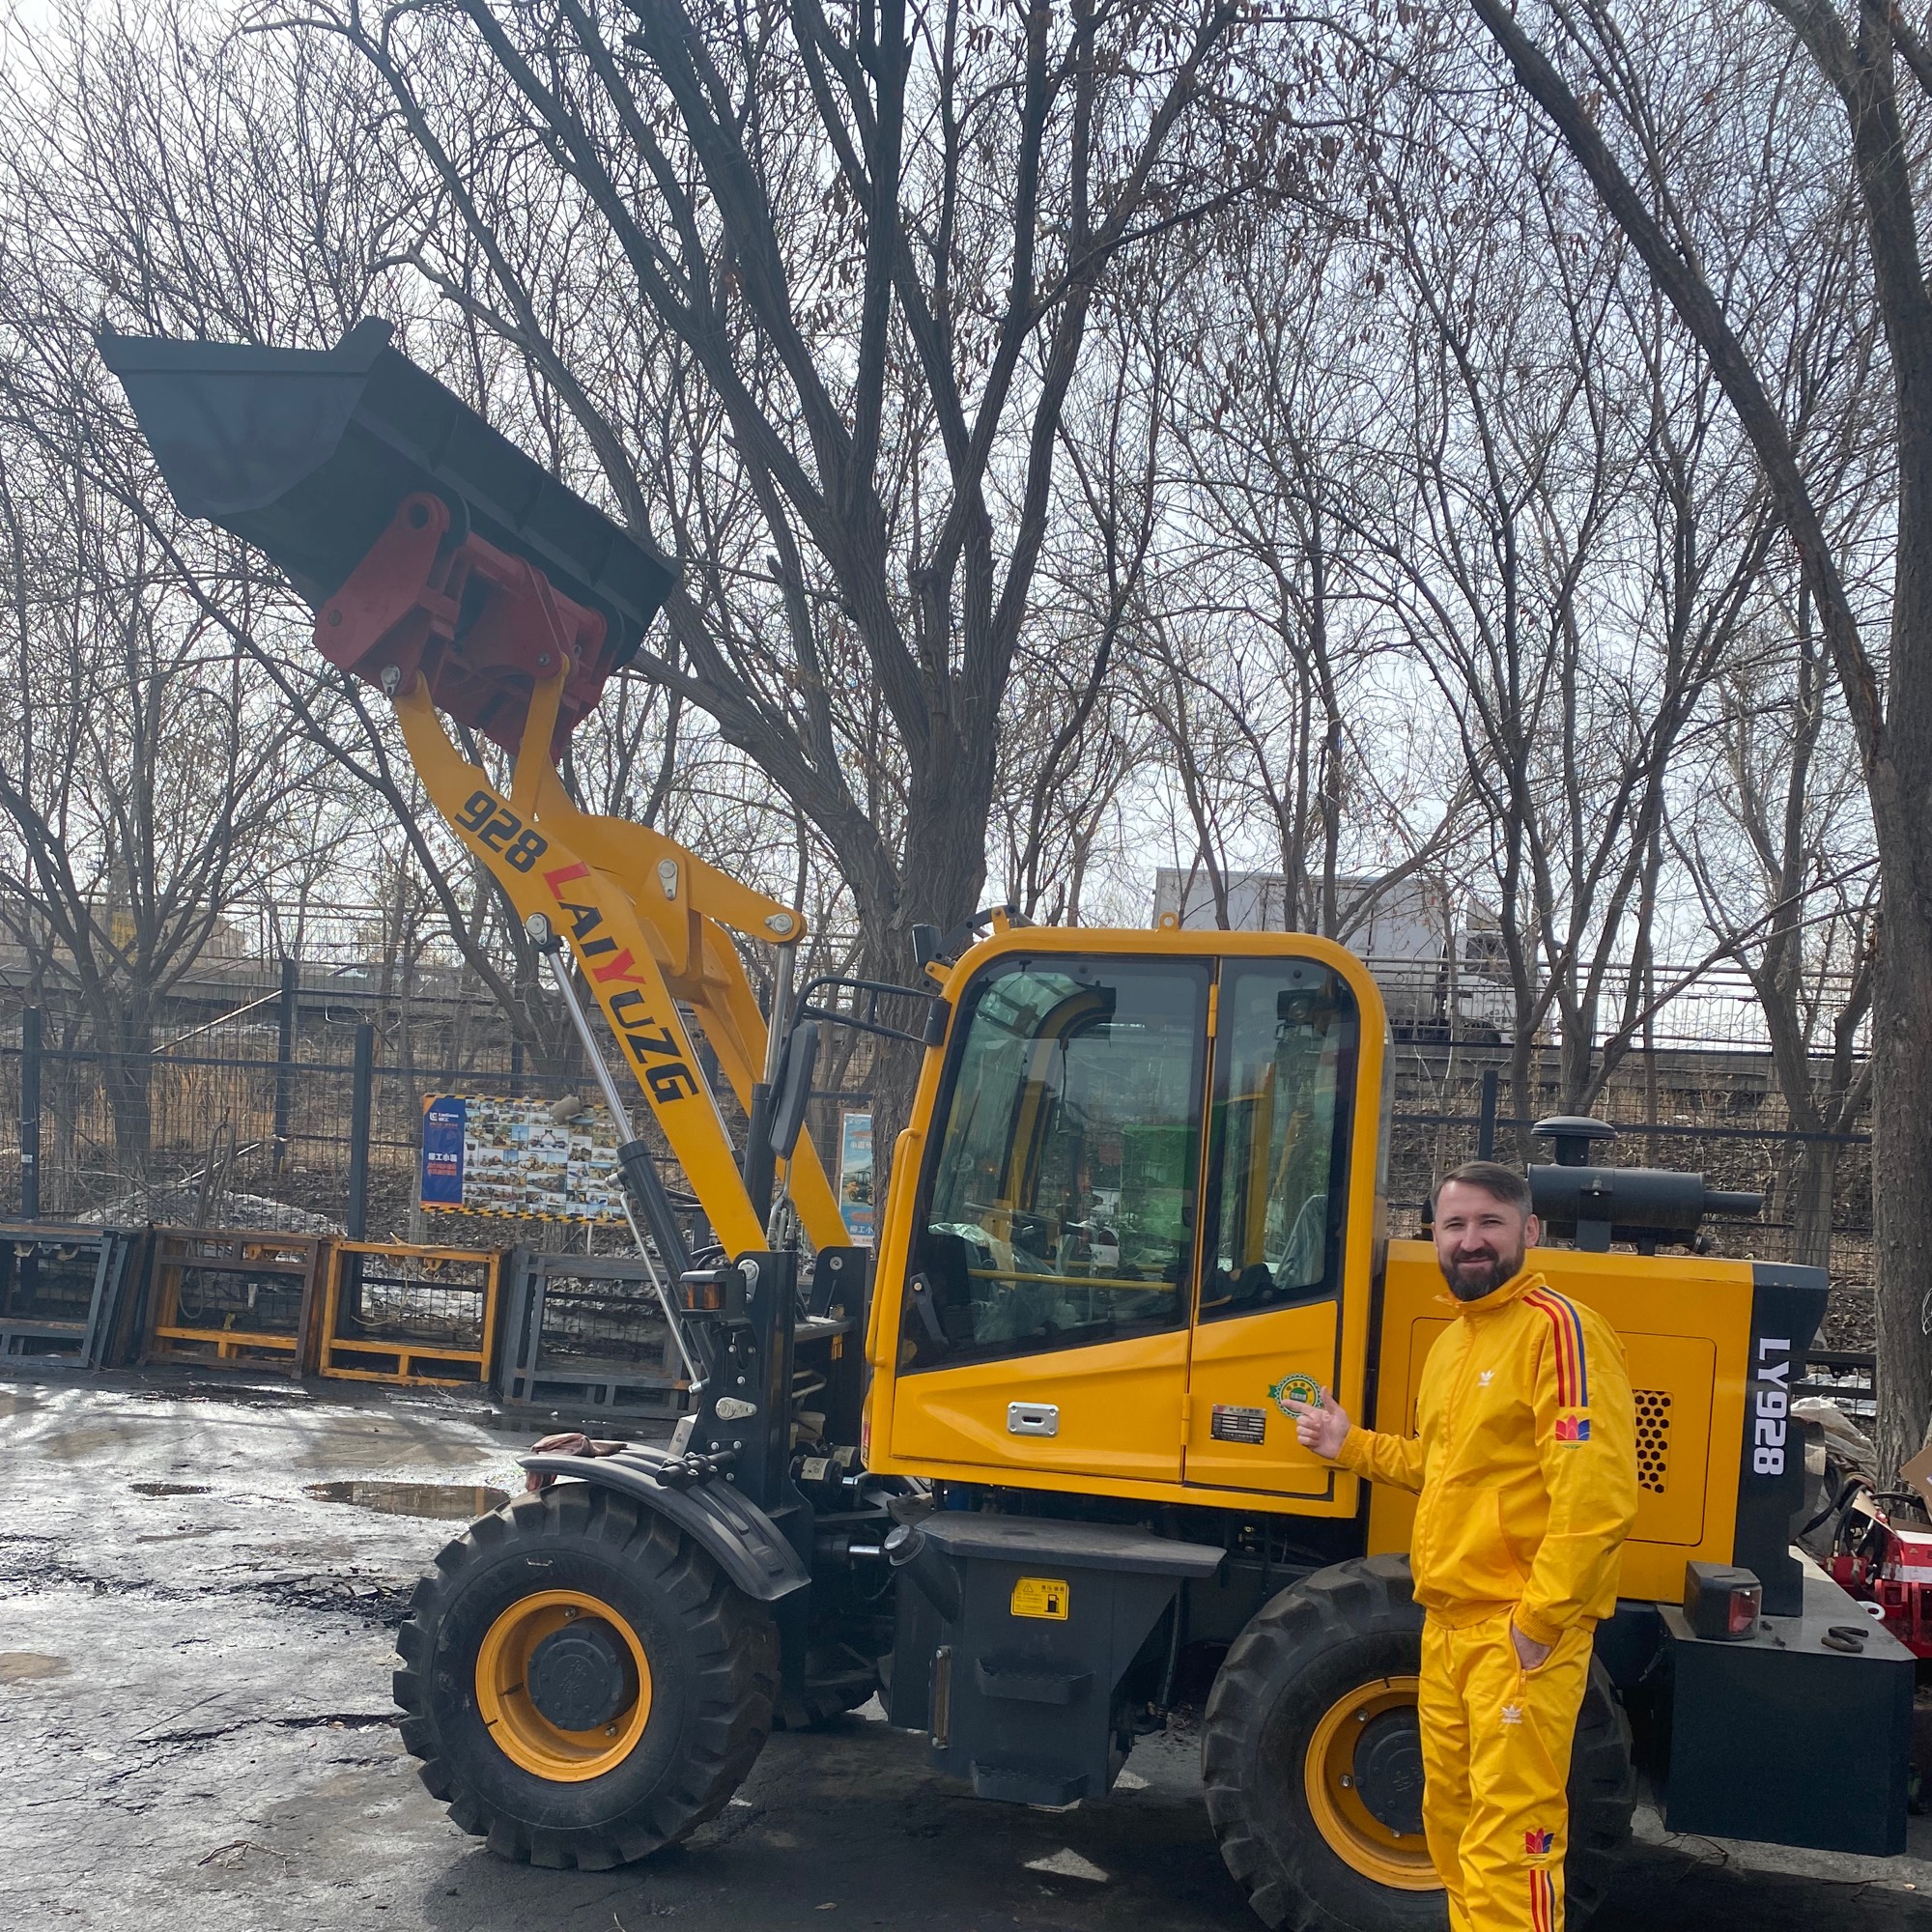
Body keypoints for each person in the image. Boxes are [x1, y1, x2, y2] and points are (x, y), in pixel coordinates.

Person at [1287, 1160, 1637, 1932]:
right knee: (1450, 1826)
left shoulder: (1561, 1331)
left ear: (1530, 1232)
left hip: (1518, 1635)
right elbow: (1439, 1468)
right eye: (1454, 1225)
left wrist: (1540, 1625)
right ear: (1434, 1236)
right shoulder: (1456, 1344)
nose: (1470, 1241)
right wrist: (1351, 1445)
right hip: (1448, 1629)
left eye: (1489, 1223)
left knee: (1514, 1839)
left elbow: (1598, 1498)